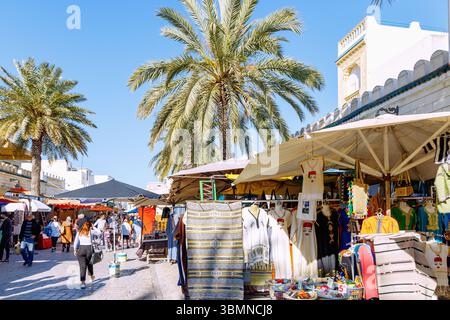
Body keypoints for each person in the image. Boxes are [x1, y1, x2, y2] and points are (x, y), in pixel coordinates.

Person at [74, 218, 100, 289]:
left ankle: (83, 283)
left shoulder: (79, 232)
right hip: (89, 249)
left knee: (82, 266)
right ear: (89, 225)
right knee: (89, 264)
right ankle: (91, 276)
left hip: (81, 249)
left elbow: (76, 242)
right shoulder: (91, 231)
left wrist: (74, 249)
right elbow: (99, 232)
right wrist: (94, 227)